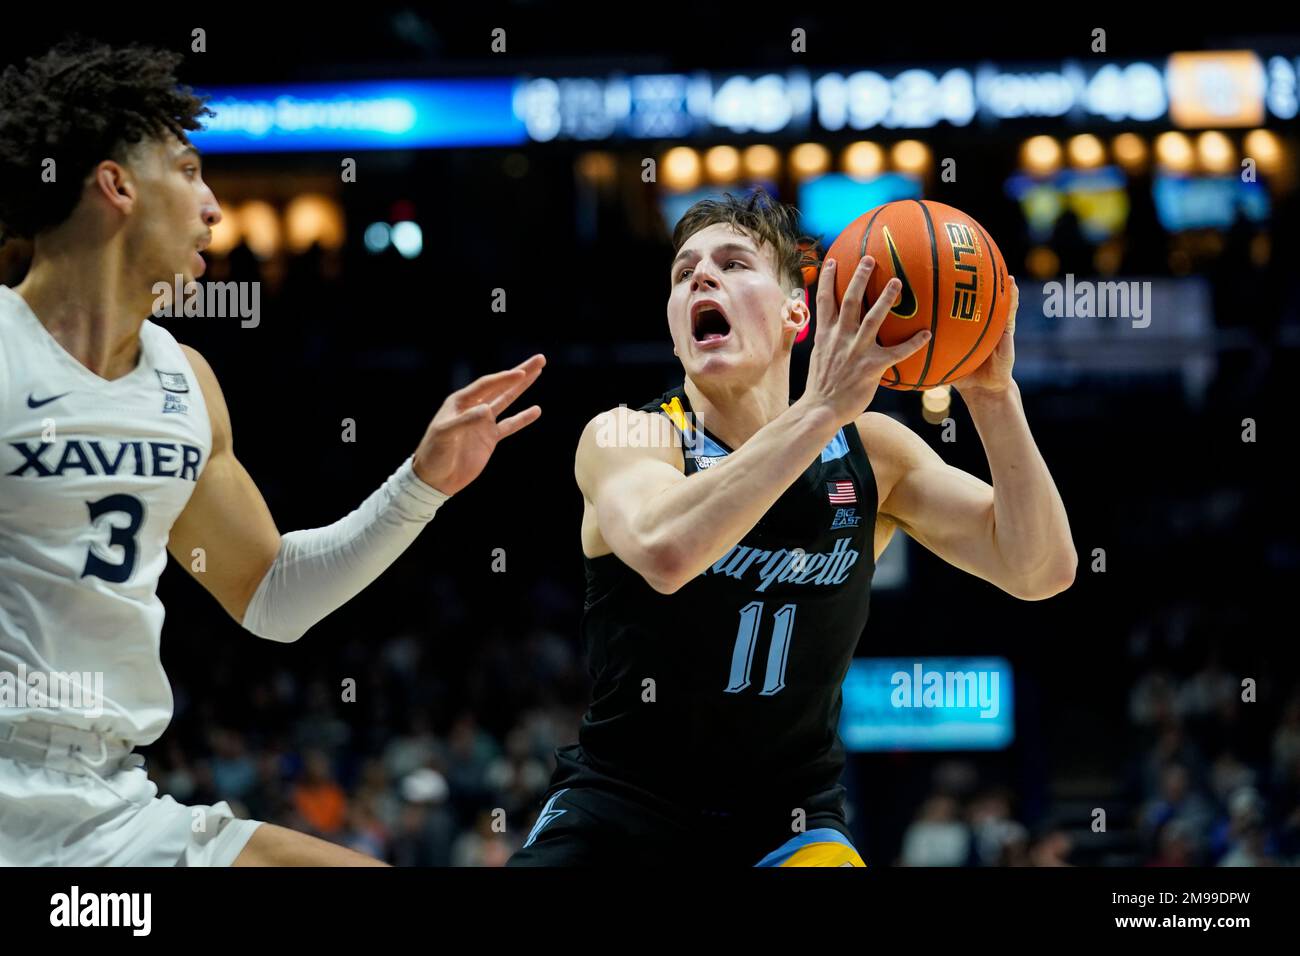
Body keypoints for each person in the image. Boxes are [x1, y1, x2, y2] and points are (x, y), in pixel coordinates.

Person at [0, 37, 544, 866]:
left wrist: (422, 483)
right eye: (187, 171)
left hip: (109, 812)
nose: (213, 205)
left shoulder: (185, 382)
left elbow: (273, 597)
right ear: (115, 185)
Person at [510, 189, 1075, 866]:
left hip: (788, 821)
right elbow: (666, 551)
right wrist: (820, 408)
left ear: (796, 313)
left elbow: (1039, 569)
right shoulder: (630, 435)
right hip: (624, 808)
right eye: (683, 271)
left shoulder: (874, 453)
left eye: (733, 264)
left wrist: (992, 396)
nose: (701, 277)